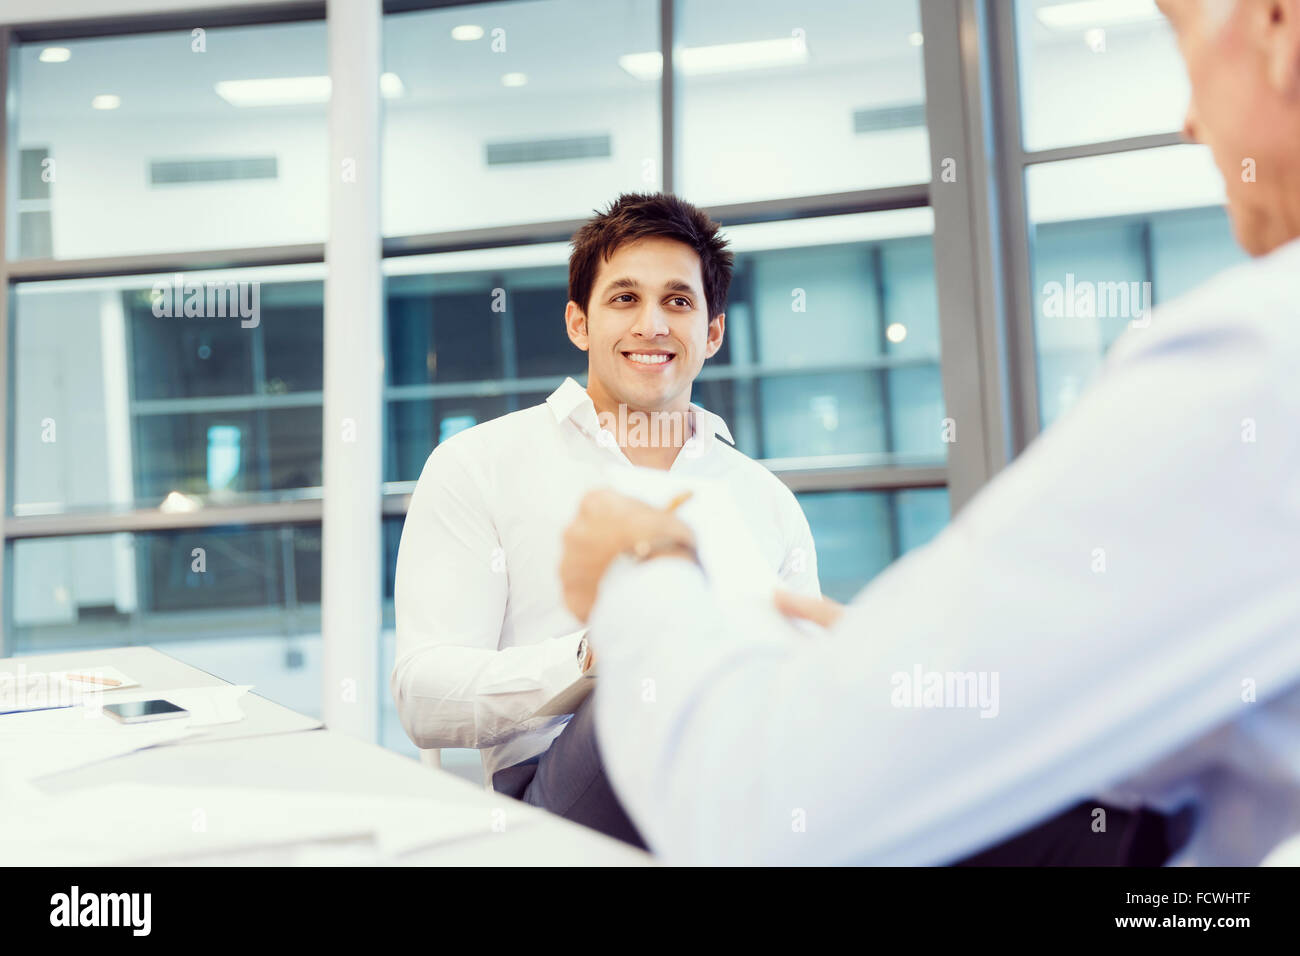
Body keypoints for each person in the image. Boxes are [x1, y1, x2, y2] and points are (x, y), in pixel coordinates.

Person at [558, 0, 1300, 865]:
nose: (1188, 119)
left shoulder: (1261, 357)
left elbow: (764, 813)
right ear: (580, 322)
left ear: (1280, 27)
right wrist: (910, 680)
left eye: (1180, 36)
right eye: (624, 299)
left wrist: (635, 574)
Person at [390, 192, 820, 848]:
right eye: (624, 298)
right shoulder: (479, 465)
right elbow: (423, 696)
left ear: (712, 332)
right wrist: (592, 656)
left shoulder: (764, 500)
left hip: (734, 780)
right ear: (579, 323)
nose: (652, 324)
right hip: (558, 796)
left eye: (678, 301)